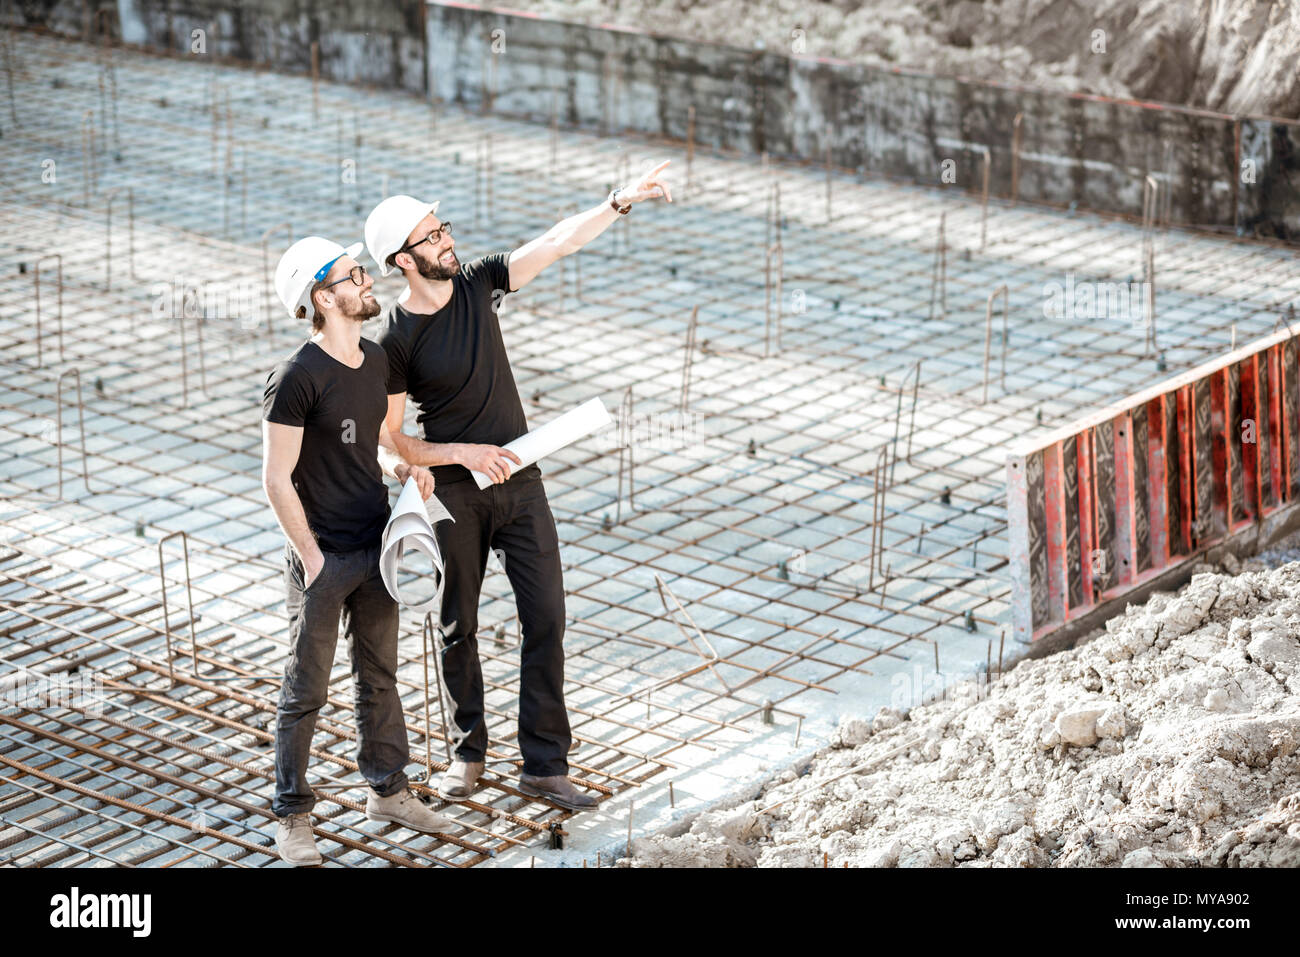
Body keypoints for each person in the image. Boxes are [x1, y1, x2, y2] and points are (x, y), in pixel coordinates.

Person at [364, 162, 672, 810]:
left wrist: (617, 201)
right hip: (455, 494)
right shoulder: (395, 337)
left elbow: (555, 242)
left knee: (548, 617)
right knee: (459, 625)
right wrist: (461, 452)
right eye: (432, 236)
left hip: (521, 478)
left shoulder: (479, 283)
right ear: (404, 260)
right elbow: (391, 437)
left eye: (442, 227)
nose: (447, 239)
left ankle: (544, 765)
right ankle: (469, 751)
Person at [262, 236, 447, 866]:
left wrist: (401, 470)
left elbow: (370, 443)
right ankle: (291, 814)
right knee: (304, 688)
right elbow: (275, 477)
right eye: (353, 275)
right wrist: (311, 559)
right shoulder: (295, 378)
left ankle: (388, 790)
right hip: (323, 558)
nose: (366, 280)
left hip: (374, 548)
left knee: (380, 676)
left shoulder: (372, 362)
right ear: (323, 297)